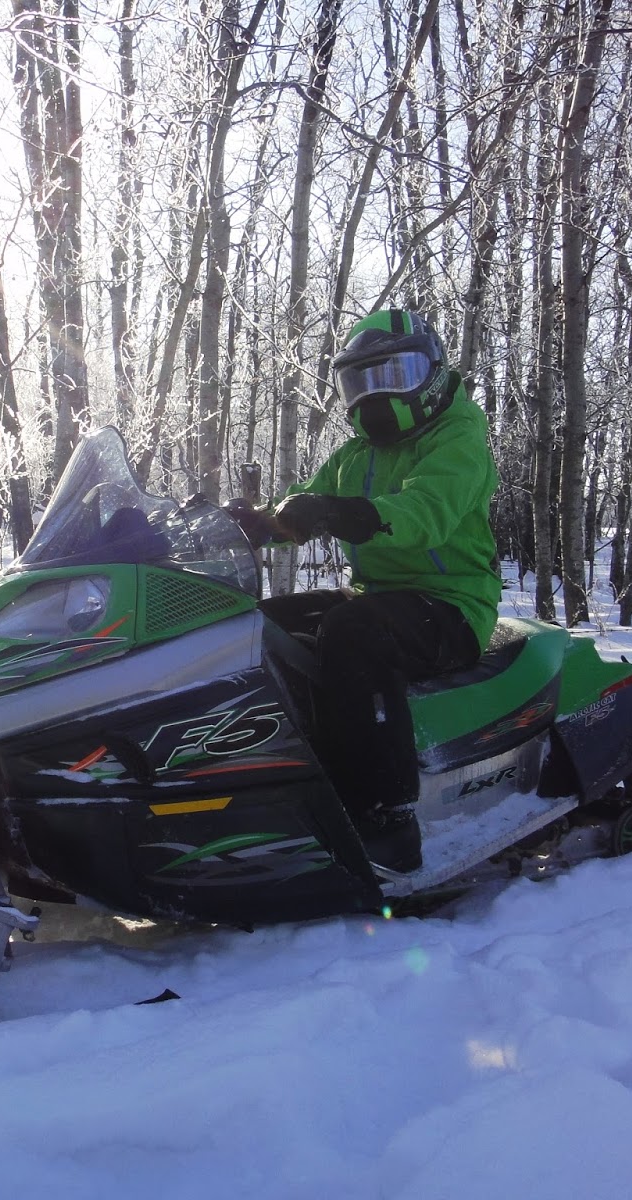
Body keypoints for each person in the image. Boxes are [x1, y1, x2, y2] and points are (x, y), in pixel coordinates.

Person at [229, 309, 500, 872]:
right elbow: (304, 504)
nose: (376, 394)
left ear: (429, 371)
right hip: (379, 596)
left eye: (393, 373)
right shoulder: (357, 455)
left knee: (352, 634)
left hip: (451, 605)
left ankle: (385, 816)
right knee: (260, 623)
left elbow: (428, 512)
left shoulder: (458, 435)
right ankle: (274, 777)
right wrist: (255, 524)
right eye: (362, 380)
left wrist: (345, 513)